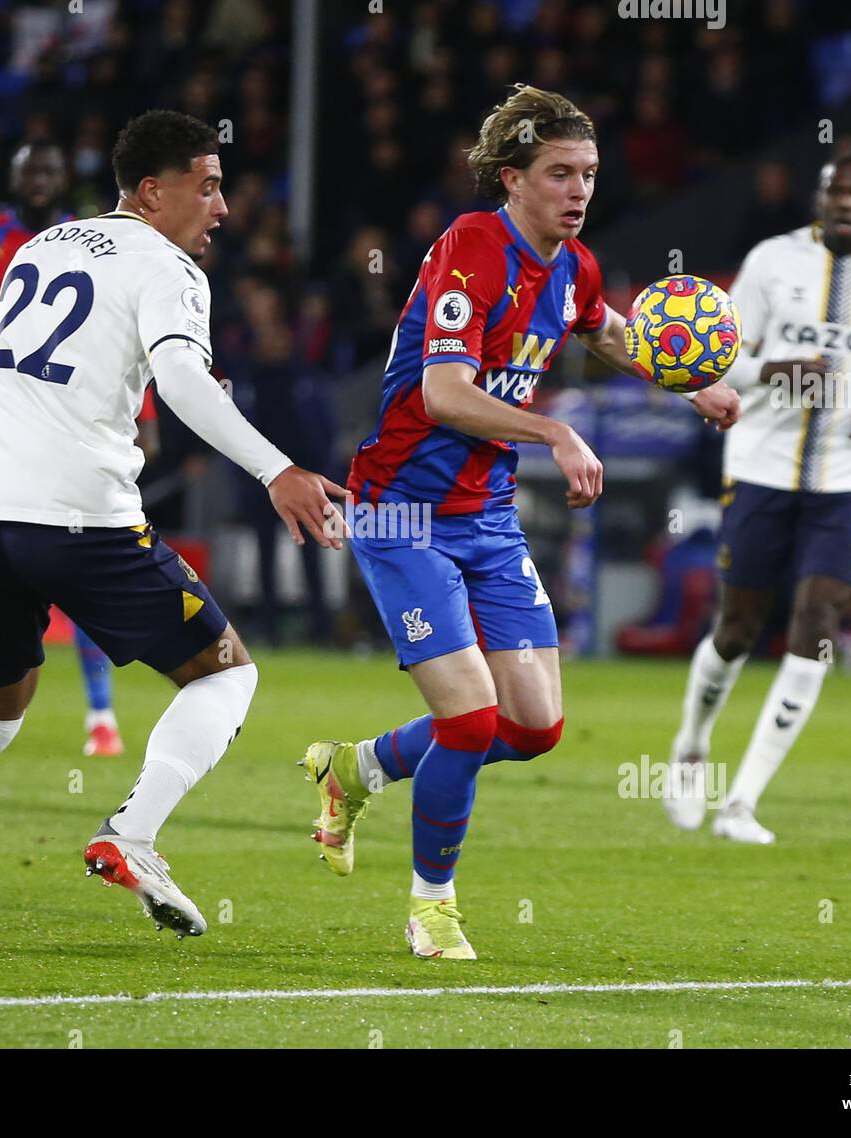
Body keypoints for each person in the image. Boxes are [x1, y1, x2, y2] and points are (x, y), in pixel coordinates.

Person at [0, 110, 346, 941]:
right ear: (153, 192)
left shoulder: (40, 249)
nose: (222, 207)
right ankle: (131, 834)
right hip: (80, 514)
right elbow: (179, 380)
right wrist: (276, 469)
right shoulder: (168, 266)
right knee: (226, 675)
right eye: (207, 187)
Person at [300, 85, 740, 960]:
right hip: (401, 510)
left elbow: (613, 335)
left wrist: (697, 384)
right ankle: (433, 907)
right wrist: (555, 431)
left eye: (589, 174)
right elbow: (442, 394)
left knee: (533, 727)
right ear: (513, 177)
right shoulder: (473, 248)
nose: (580, 191)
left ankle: (360, 766)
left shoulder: (573, 266)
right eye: (560, 174)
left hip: (486, 514)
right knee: (469, 721)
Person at [664, 156, 851, 843]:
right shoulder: (771, 261)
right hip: (762, 464)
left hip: (850, 474)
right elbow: (713, 356)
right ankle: (690, 748)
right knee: (737, 628)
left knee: (817, 621)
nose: (848, 202)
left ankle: (741, 803)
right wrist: (772, 368)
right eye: (836, 192)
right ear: (819, 201)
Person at [0, 141, 129, 758]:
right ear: (11, 178)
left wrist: (141, 413)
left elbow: (119, 332)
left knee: (83, 559)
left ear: (66, 177)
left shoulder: (93, 241)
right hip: (0, 419)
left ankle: (101, 713)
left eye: (50, 170)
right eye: (29, 170)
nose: (39, 180)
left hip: (73, 421)